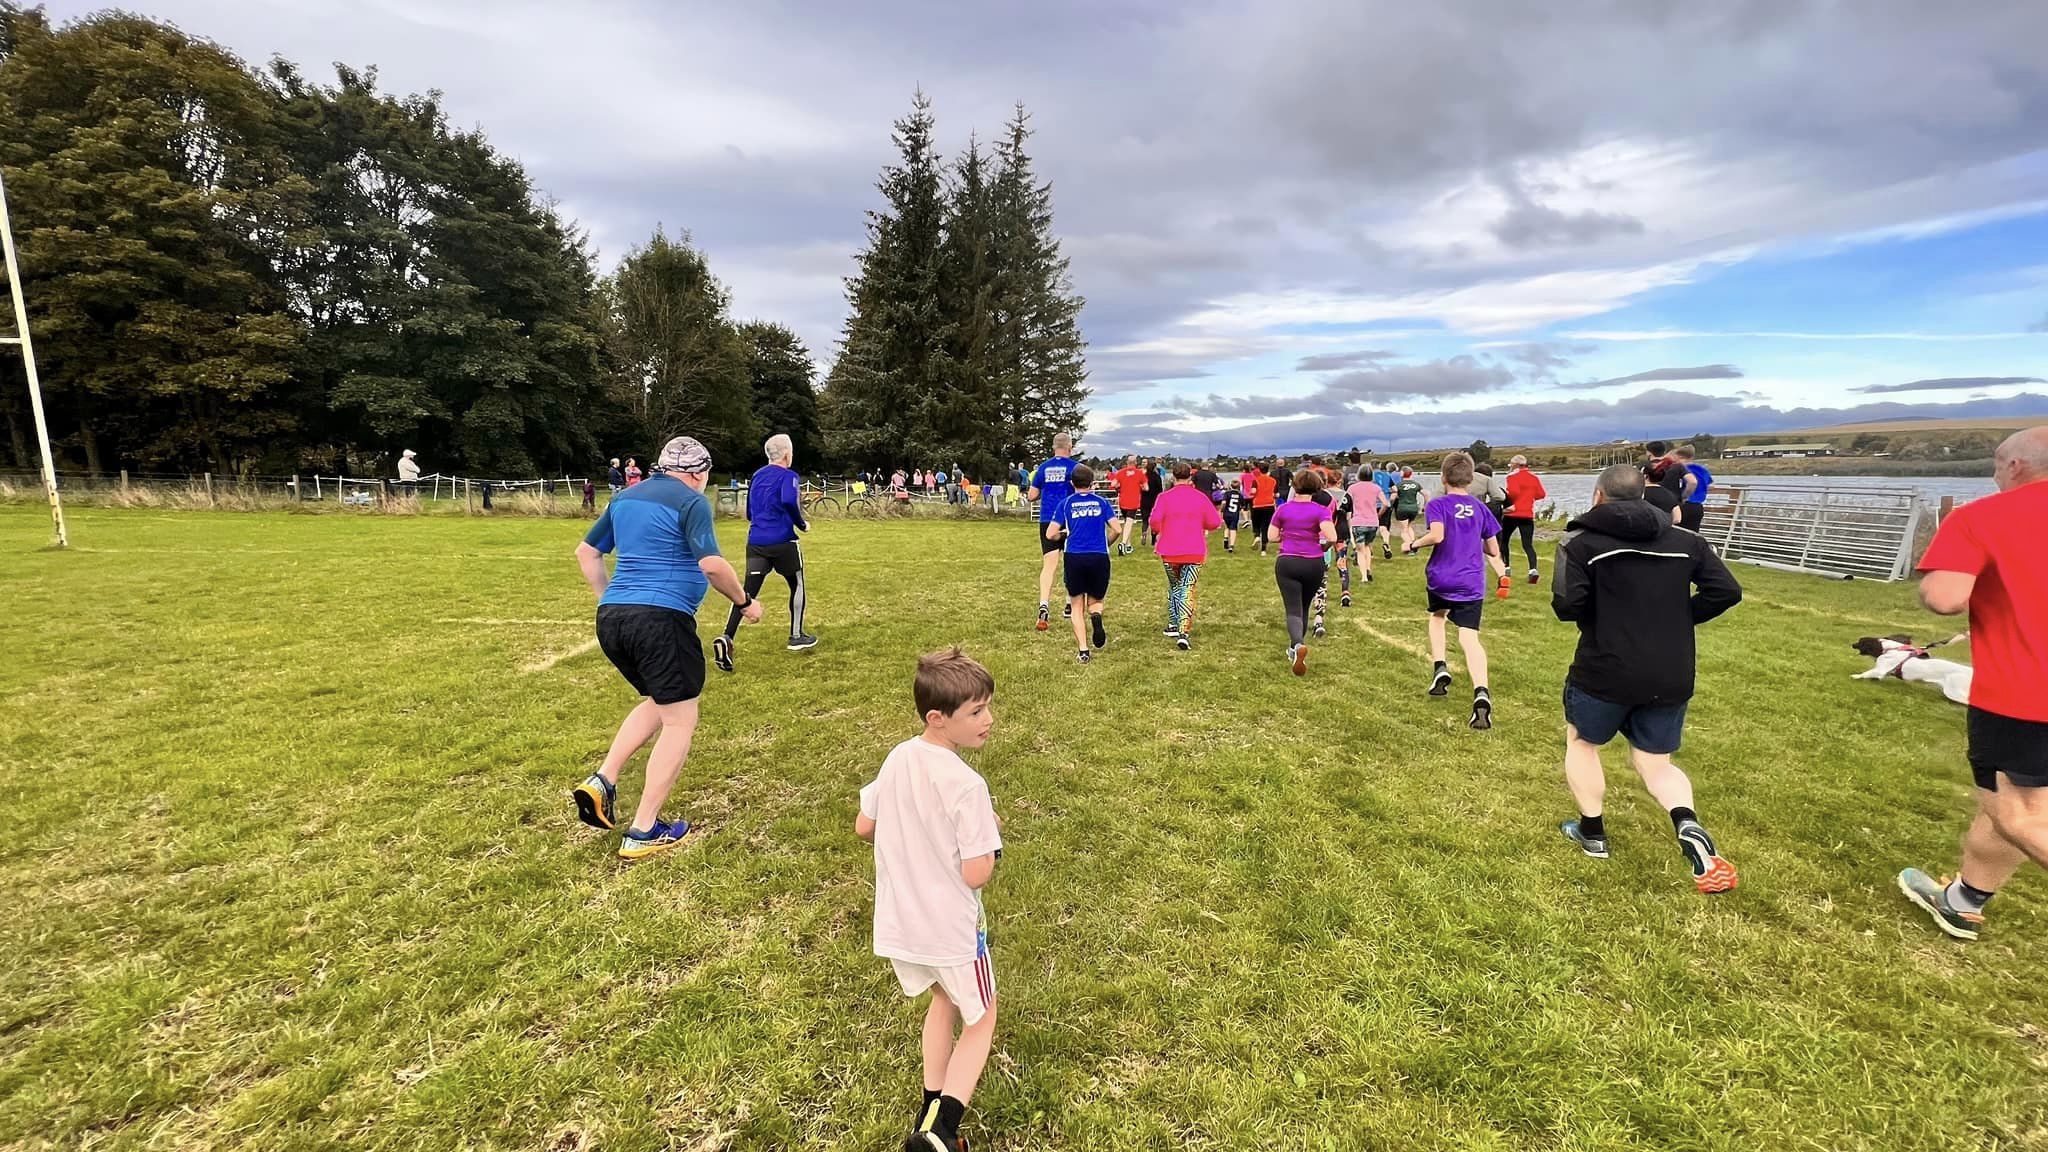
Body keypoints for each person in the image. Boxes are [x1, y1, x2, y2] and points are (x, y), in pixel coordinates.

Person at [1553, 464, 1744, 893]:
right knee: (1656, 762)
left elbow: (1567, 605)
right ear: (1644, 494)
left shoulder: (1579, 542)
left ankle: (1593, 832)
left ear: (1598, 496)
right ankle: (1686, 822)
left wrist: (1612, 621)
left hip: (1604, 667)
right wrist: (1676, 619)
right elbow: (1726, 591)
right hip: (1669, 668)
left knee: (1583, 744)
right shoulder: (1687, 541)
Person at [571, 436, 762, 859]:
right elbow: (712, 564)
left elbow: (587, 553)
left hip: (613, 619)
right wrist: (745, 603)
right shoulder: (691, 501)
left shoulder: (625, 497)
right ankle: (644, 831)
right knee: (680, 719)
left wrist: (609, 600)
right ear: (698, 472)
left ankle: (604, 779)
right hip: (661, 621)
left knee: (663, 701)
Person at [1897, 426, 2048, 941]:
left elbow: (1944, 597)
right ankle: (1963, 900)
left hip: (2026, 695)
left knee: (2022, 815)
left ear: (2014, 467)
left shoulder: (1984, 516)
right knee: (2003, 804)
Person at [855, 648, 1003, 1152]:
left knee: (941, 1000)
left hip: (903, 926)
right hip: (953, 932)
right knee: (981, 1019)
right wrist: (990, 841)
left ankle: (929, 1109)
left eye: (988, 707)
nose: (989, 720)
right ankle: (942, 1131)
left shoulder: (899, 756)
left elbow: (865, 825)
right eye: (976, 712)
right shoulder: (968, 784)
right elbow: (976, 871)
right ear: (938, 719)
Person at [1404, 452, 1508, 729]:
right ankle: (1481, 693)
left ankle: (1440, 666)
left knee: (1438, 616)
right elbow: (1494, 549)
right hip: (1472, 581)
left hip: (1442, 577)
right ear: (1471, 478)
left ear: (1443, 477)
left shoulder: (1438, 505)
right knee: (1469, 638)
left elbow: (1437, 535)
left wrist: (1413, 544)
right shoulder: (1480, 507)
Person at [714, 434, 817, 674]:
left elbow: (749, 511)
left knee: (745, 593)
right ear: (787, 455)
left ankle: (727, 636)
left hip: (756, 541)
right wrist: (801, 524)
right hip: (783, 540)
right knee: (797, 583)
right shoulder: (788, 476)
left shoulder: (758, 476)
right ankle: (796, 635)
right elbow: (789, 501)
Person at [1044, 465, 1119, 663]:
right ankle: (1096, 616)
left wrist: (1065, 534)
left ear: (1072, 483)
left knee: (1076, 605)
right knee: (1095, 601)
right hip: (1099, 556)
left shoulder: (1066, 503)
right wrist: (1106, 543)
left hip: (1074, 556)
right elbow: (1117, 529)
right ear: (1092, 482)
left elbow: (1050, 534)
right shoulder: (1102, 502)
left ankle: (1084, 651)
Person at [1270, 469, 1338, 675]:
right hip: (1313, 562)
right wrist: (1322, 546)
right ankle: (1295, 648)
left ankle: (1296, 645)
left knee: (1292, 608)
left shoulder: (1283, 509)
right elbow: (1332, 536)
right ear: (1317, 488)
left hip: (1288, 561)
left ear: (1294, 486)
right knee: (1305, 605)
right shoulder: (1320, 510)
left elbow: (1272, 536)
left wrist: (1287, 535)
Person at [1150, 462, 1221, 650]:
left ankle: (1173, 623)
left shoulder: (1164, 498)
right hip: (1194, 550)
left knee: (1175, 586)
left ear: (1173, 477)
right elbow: (1214, 522)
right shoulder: (1200, 497)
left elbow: (1154, 522)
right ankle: (1183, 631)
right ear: (1191, 477)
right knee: (1187, 589)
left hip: (1169, 551)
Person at [1028, 434, 1081, 631]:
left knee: (1049, 565)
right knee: (1071, 560)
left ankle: (1044, 606)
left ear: (1053, 447)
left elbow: (1032, 495)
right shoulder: (1075, 468)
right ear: (1069, 447)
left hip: (1047, 520)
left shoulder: (1043, 467)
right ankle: (1069, 603)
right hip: (1068, 519)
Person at [1501, 454, 1548, 583]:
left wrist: (1505, 496)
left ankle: (1506, 567)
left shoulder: (1512, 477)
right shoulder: (1534, 478)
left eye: (1511, 464)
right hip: (1527, 514)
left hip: (1512, 514)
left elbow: (1514, 493)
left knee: (1504, 540)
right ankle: (1533, 570)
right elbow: (1541, 494)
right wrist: (1529, 497)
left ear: (1515, 465)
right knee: (1527, 544)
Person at [1345, 470, 1387, 585]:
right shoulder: (1376, 488)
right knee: (1368, 545)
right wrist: (1379, 514)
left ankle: (1364, 576)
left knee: (1360, 549)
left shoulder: (1352, 488)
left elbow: (1346, 502)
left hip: (1358, 521)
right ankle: (1368, 568)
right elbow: (1386, 503)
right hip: (1373, 522)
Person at [1110, 455, 1146, 555]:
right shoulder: (1139, 473)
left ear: (1127, 462)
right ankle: (1123, 543)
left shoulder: (1120, 472)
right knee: (1129, 522)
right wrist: (1140, 485)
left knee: (1127, 523)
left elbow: (1113, 484)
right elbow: (1146, 487)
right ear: (1135, 463)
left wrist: (1120, 485)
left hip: (1123, 501)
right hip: (1133, 501)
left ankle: (1129, 546)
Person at [1675, 444, 1712, 533]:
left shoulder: (1682, 469)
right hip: (1698, 507)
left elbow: (1691, 483)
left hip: (1684, 504)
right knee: (1693, 534)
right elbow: (1708, 485)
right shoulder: (1702, 470)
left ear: (1679, 457)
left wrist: (1684, 496)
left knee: (1678, 533)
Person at [1392, 466, 1425, 551]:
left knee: (1404, 530)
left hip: (1402, 508)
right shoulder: (1416, 484)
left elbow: (1393, 497)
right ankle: (1413, 543)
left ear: (1402, 474)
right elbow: (1426, 493)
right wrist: (1425, 505)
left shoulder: (1398, 485)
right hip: (1414, 508)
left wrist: (1391, 503)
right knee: (1409, 526)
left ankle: (1411, 546)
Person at [1249, 464, 1279, 554]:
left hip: (1257, 505)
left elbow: (1253, 491)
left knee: (1256, 523)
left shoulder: (1256, 480)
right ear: (1268, 470)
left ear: (1260, 470)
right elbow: (1277, 494)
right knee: (1265, 527)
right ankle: (1263, 549)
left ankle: (1257, 536)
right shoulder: (1273, 481)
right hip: (1269, 505)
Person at [1219, 479, 1246, 554]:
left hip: (1227, 513)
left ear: (1230, 486)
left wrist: (1221, 510)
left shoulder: (1227, 493)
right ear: (1239, 487)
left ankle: (1225, 538)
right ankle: (1231, 546)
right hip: (1234, 514)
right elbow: (1243, 506)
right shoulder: (1240, 495)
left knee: (1227, 527)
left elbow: (1224, 503)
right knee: (1233, 529)